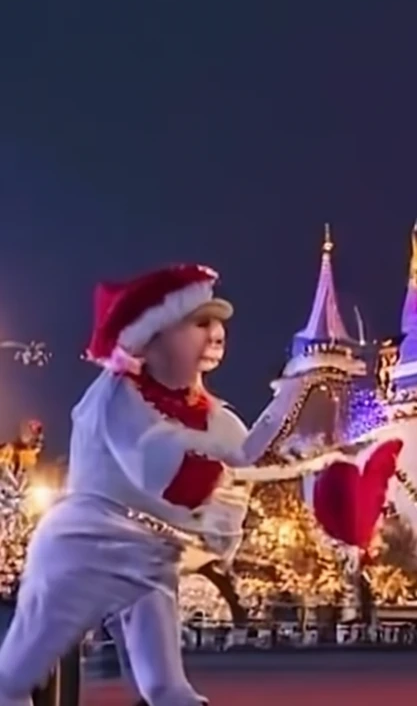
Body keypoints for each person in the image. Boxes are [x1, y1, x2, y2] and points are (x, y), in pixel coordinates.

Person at [0, 263, 330, 706]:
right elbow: (167, 473)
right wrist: (233, 468)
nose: (216, 334)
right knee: (18, 672)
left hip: (150, 557)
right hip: (84, 550)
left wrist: (302, 426)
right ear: (152, 338)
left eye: (218, 323)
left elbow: (249, 456)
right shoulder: (117, 396)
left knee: (166, 687)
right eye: (199, 323)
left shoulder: (208, 412)